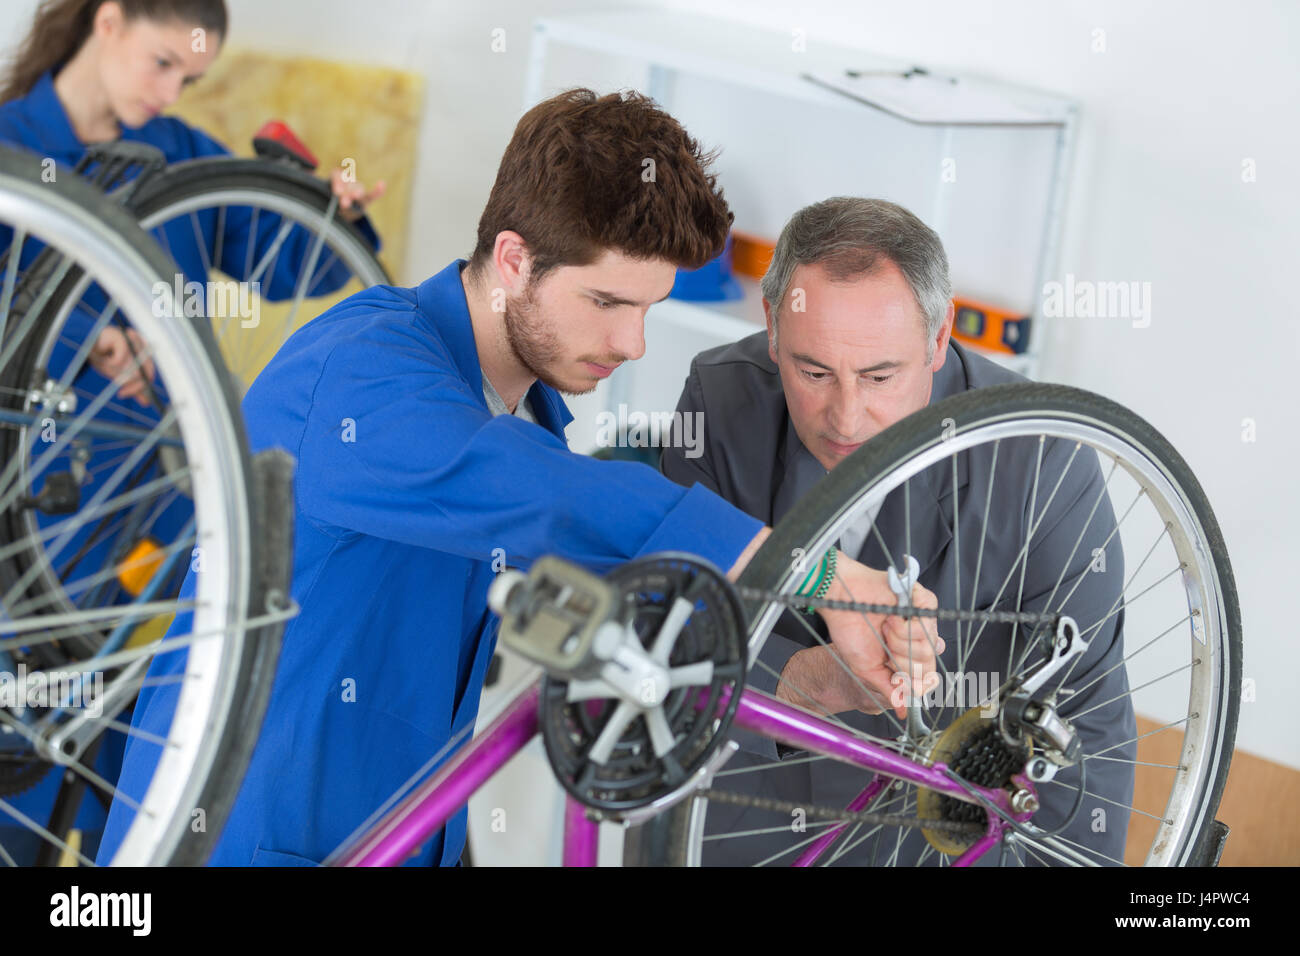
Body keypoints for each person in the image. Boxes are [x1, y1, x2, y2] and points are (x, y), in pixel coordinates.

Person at [96, 90, 949, 867]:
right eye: (607, 303)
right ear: (512, 260)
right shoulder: (361, 373)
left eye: (647, 308)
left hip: (397, 831)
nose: (632, 345)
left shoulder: (523, 413)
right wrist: (817, 569)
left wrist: (816, 688)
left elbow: (623, 585)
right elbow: (538, 496)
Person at [0, 0, 385, 866]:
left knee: (137, 754)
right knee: (21, 757)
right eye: (161, 62)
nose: (170, 91)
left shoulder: (179, 157)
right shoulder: (9, 149)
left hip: (172, 501)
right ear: (107, 23)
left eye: (191, 78)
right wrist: (80, 342)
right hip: (38, 506)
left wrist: (335, 213)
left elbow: (289, 258)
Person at [659, 196, 1138, 866]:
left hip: (926, 843)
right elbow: (674, 631)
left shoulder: (1038, 457)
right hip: (744, 817)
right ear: (772, 327)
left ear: (939, 339)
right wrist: (797, 680)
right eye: (813, 372)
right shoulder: (720, 398)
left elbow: (1085, 721)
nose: (845, 418)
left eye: (880, 376)